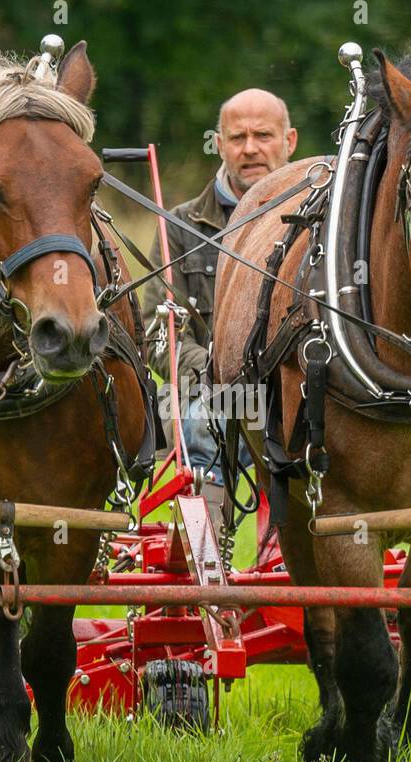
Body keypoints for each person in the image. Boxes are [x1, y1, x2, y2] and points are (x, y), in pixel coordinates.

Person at [140, 88, 297, 518]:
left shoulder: (319, 216)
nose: (250, 149)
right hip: (212, 394)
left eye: (263, 135)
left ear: (291, 142)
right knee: (201, 428)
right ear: (219, 143)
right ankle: (209, 551)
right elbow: (158, 334)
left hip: (296, 390)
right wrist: (216, 376)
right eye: (237, 137)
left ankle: (286, 544)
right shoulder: (180, 227)